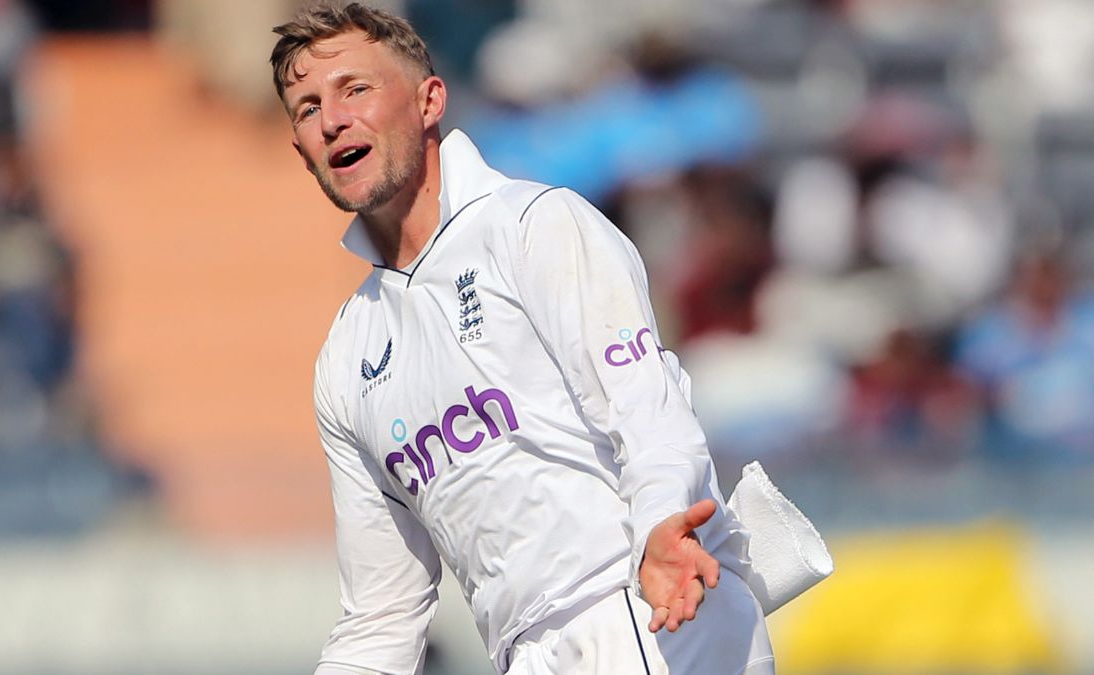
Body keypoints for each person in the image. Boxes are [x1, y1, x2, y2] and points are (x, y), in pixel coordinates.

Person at [270, 4, 774, 674]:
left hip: (651, 605)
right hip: (526, 653)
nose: (332, 120)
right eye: (307, 109)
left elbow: (647, 408)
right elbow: (380, 615)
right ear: (301, 152)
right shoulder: (345, 359)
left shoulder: (535, 225)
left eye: (354, 89)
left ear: (429, 101)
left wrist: (662, 522)